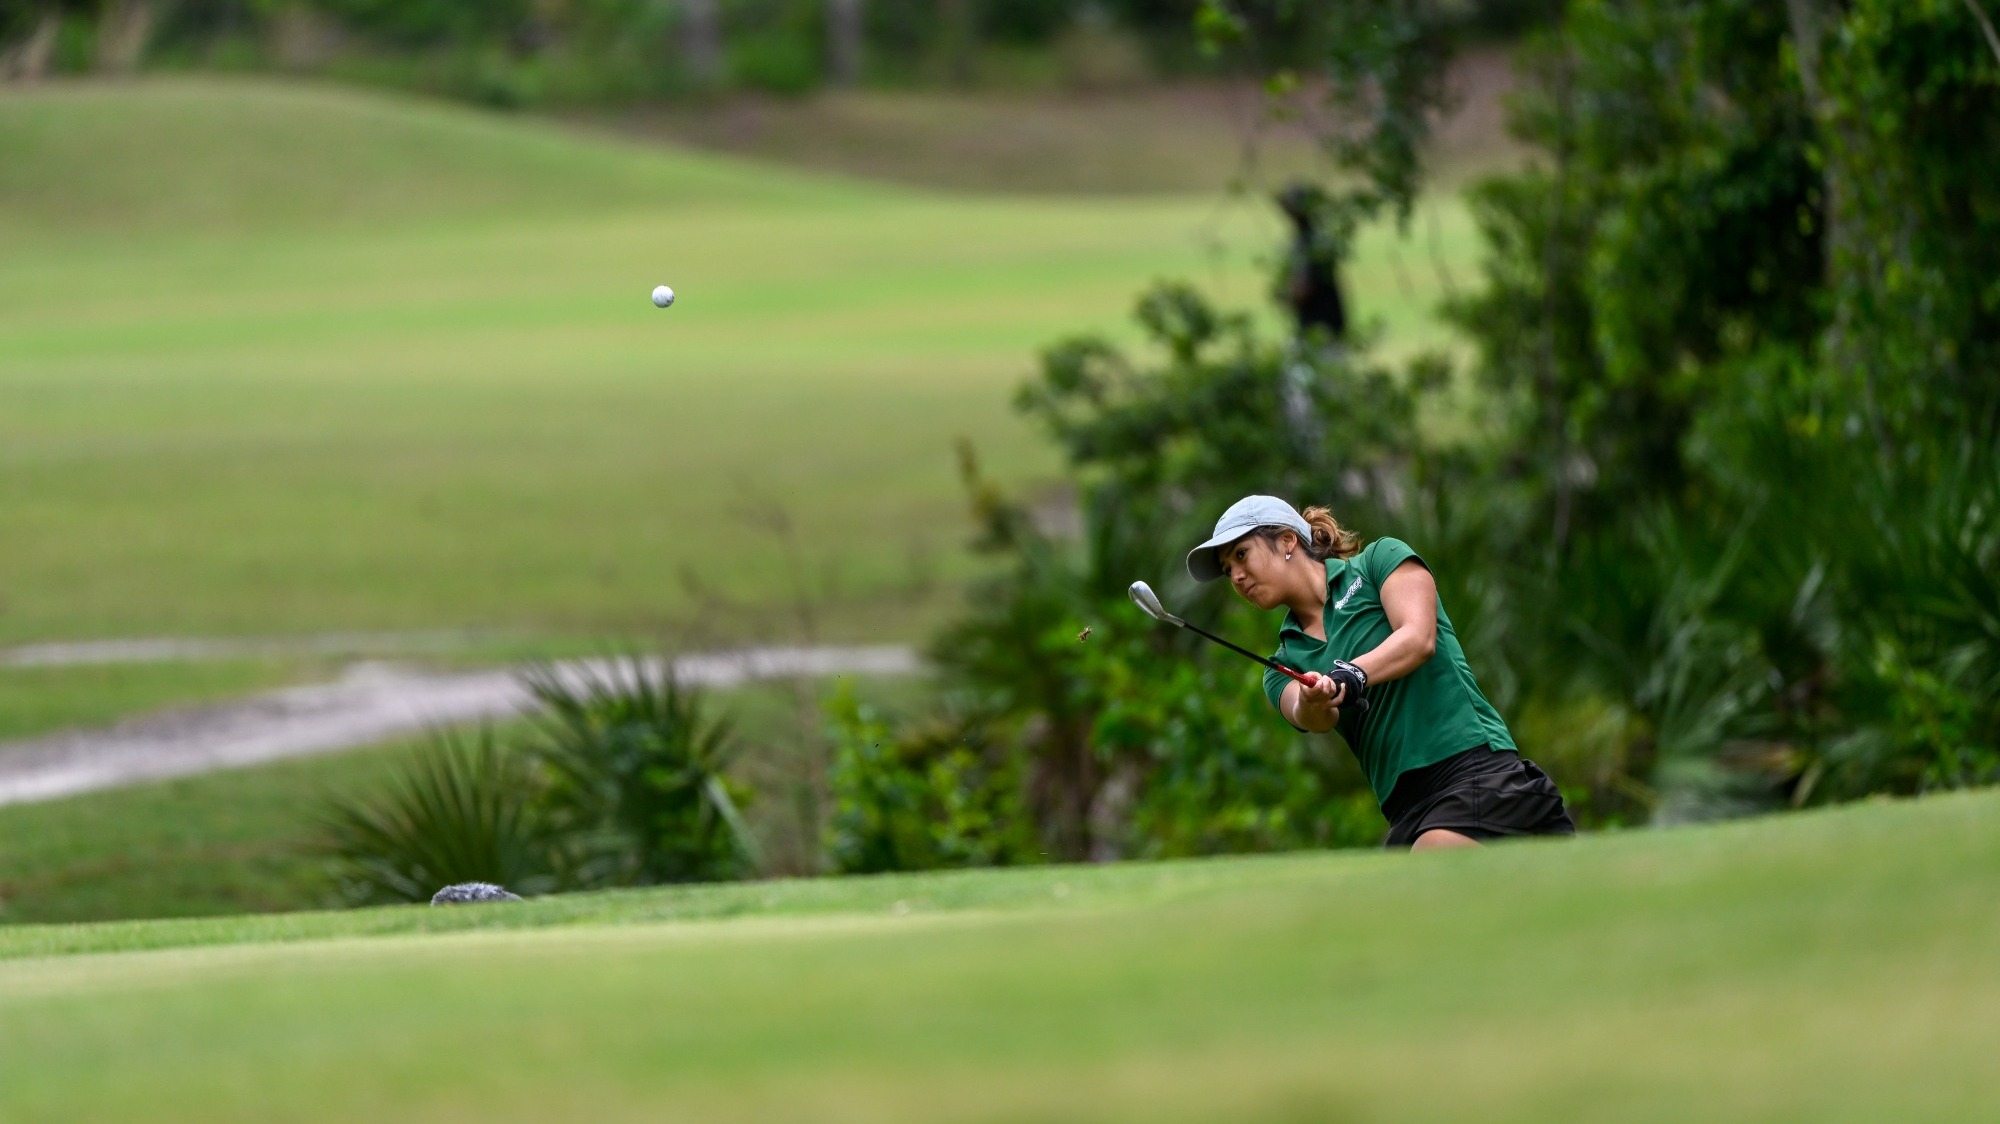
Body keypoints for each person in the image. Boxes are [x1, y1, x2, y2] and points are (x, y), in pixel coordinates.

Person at [1185, 494, 1575, 850]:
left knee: (1434, 866)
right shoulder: (1283, 664)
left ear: (1287, 541)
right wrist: (1313, 697)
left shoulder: (1379, 562)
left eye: (1241, 554)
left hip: (1475, 771)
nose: (1235, 575)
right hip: (1406, 811)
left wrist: (1351, 675)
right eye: (1226, 569)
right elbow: (1314, 719)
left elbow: (1418, 638)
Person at [1275, 183, 1347, 342]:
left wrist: (1284, 296)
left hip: (1320, 332)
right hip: (1327, 329)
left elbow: (1304, 290)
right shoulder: (1318, 239)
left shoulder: (1309, 243)